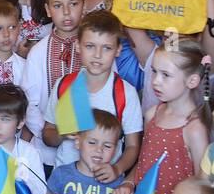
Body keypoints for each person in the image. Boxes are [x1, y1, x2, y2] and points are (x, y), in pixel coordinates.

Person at [113, 40, 211, 194]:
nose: (156, 81)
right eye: (154, 72)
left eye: (166, 75)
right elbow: (146, 161)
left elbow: (202, 190)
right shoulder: (152, 115)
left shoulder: (194, 129)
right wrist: (129, 183)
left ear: (192, 80)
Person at [40, 11, 143, 173]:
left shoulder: (125, 93)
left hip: (104, 185)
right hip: (65, 180)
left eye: (107, 48)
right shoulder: (65, 85)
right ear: (77, 46)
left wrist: (116, 169)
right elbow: (47, 135)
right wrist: (64, 133)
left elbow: (133, 145)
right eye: (90, 46)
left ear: (118, 50)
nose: (97, 55)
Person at [19, 0, 84, 167]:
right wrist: (47, 133)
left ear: (84, 5)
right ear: (48, 10)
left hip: (87, 150)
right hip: (45, 151)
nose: (66, 12)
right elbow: (29, 101)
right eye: (58, 5)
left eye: (73, 4)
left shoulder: (94, 49)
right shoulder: (38, 51)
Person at [40, 110, 125, 194]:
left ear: (115, 149)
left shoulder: (118, 182)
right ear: (77, 142)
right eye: (92, 142)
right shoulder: (61, 174)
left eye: (107, 146)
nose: (99, 150)